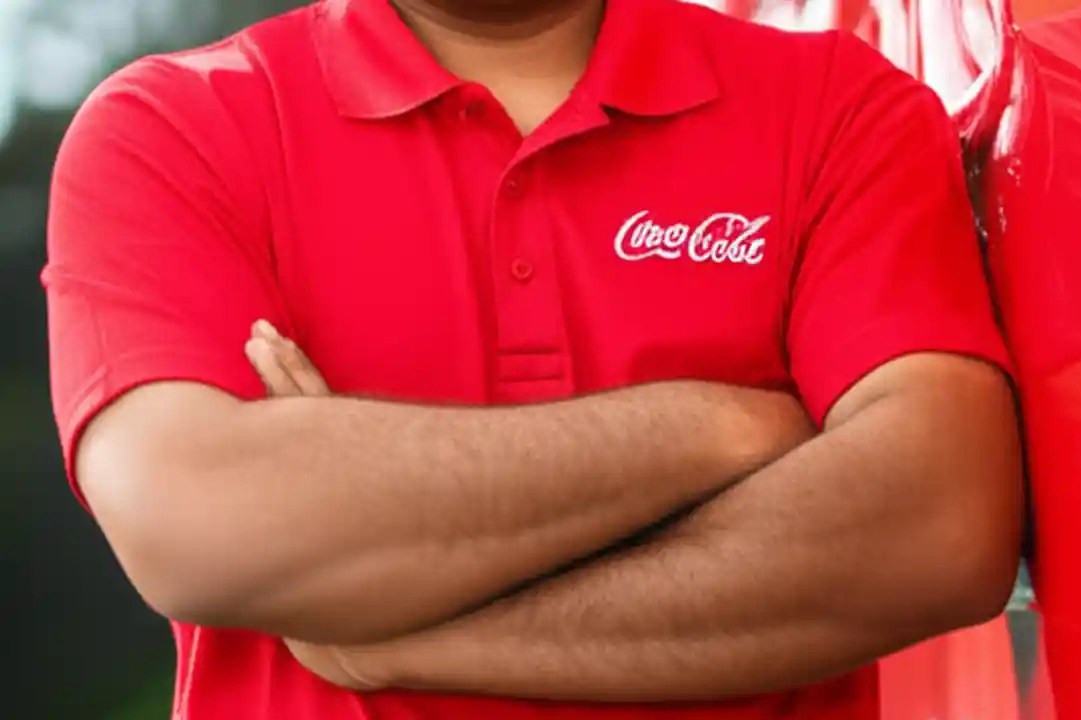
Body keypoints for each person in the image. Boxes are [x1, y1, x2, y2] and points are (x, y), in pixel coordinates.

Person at [42, 0, 1023, 717]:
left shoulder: (840, 111)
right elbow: (208, 526)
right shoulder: (175, 131)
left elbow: (941, 526)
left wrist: (392, 635)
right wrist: (722, 426)